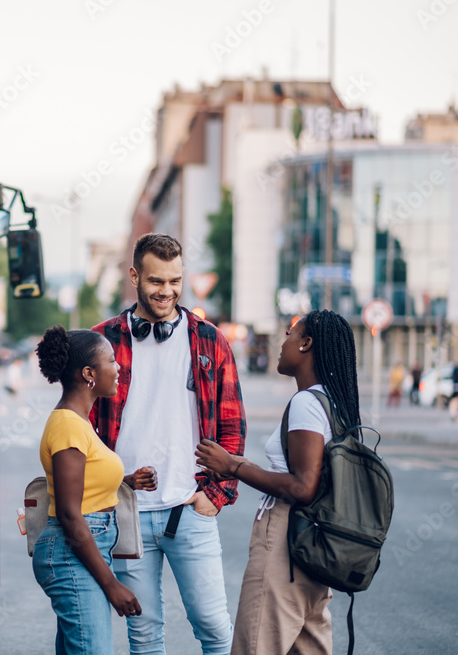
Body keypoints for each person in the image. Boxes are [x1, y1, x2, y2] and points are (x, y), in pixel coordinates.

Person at [89, 233, 245, 655]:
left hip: (189, 508)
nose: (167, 291)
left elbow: (232, 427)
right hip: (127, 513)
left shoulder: (209, 341)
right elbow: (80, 431)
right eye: (157, 281)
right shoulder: (100, 342)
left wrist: (217, 494)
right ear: (135, 276)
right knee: (144, 633)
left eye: (176, 281)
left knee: (214, 627)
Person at [196, 309, 360, 655]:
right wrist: (240, 464)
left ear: (306, 344)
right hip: (317, 541)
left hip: (287, 540)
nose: (282, 342)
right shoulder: (334, 402)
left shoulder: (306, 402)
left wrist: (233, 466)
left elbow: (302, 486)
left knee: (254, 646)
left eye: (290, 333)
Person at [32, 325, 158, 655]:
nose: (119, 368)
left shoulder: (78, 421)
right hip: (71, 552)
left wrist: (126, 481)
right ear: (89, 373)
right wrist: (111, 584)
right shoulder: (69, 425)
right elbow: (70, 513)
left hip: (81, 549)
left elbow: (82, 485)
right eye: (112, 361)